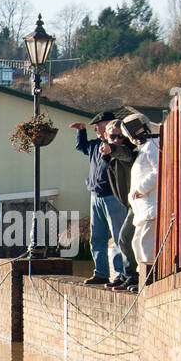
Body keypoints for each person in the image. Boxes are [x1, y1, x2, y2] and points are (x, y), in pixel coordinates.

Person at [68, 111, 129, 286]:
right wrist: (80, 131)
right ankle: (101, 273)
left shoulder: (118, 144)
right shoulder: (95, 145)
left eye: (99, 125)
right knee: (97, 238)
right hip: (96, 196)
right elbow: (81, 147)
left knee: (118, 237)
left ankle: (120, 274)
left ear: (110, 125)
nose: (95, 128)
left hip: (113, 196)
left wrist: (111, 145)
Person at [123, 111, 160, 291]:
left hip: (150, 206)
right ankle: (144, 279)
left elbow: (157, 171)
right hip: (142, 209)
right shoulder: (145, 149)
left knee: (145, 245)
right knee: (137, 242)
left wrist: (140, 189)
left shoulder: (153, 146)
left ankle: (150, 281)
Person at [101, 118, 139, 292]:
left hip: (138, 202)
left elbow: (126, 154)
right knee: (123, 240)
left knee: (124, 239)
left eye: (120, 136)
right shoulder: (108, 154)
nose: (117, 140)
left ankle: (132, 276)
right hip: (129, 202)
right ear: (105, 136)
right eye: (113, 137)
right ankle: (126, 275)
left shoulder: (127, 150)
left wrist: (113, 149)